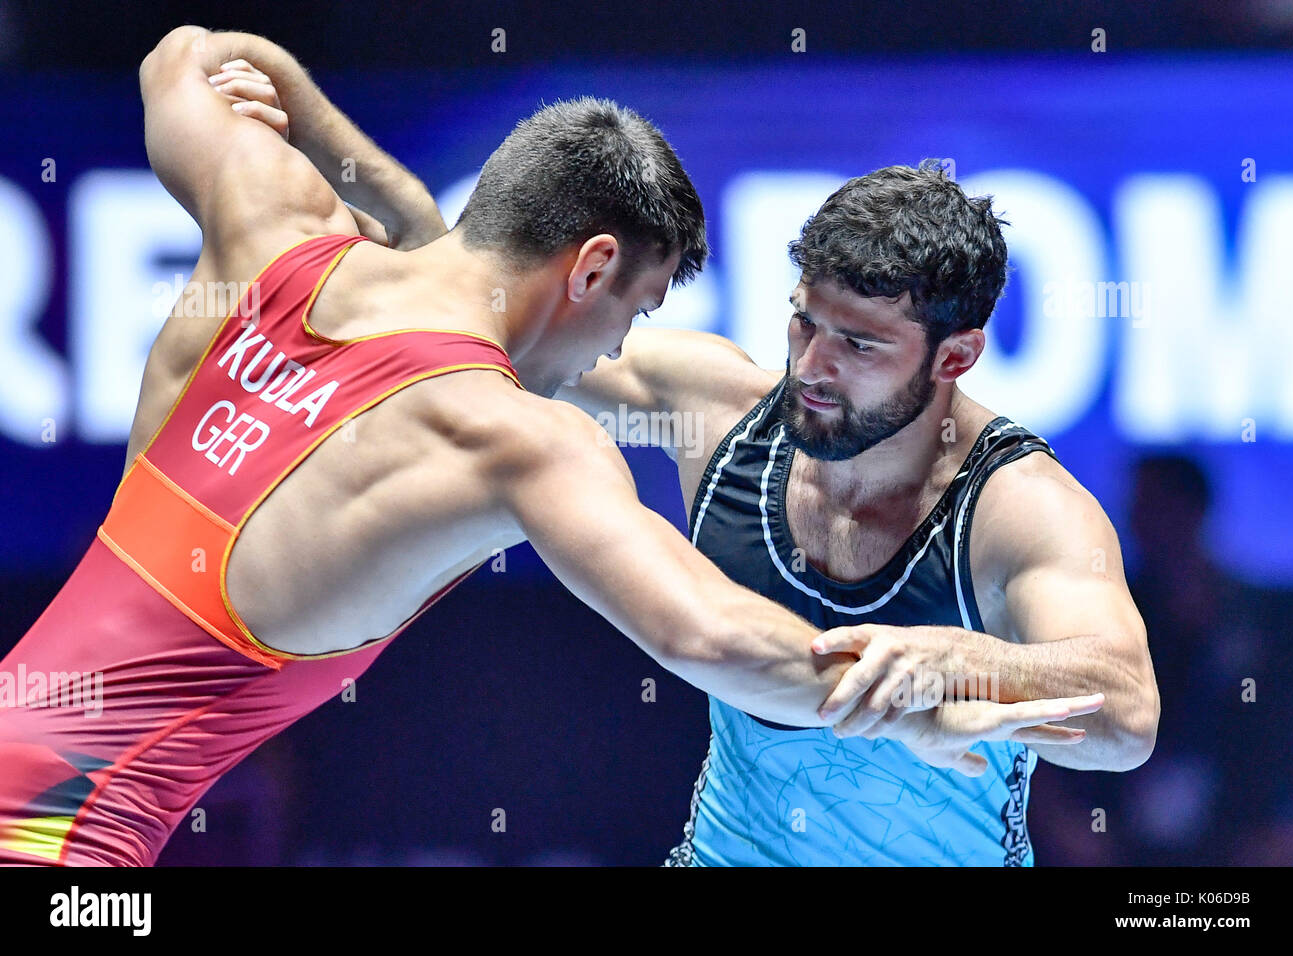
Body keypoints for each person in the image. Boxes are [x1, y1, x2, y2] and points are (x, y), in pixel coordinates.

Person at [0, 29, 1098, 867]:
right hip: (61, 840)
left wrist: (302, 111)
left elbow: (185, 56)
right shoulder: (515, 438)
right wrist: (926, 693)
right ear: (589, 268)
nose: (617, 349)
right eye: (634, 310)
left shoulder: (271, 230)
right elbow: (713, 633)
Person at [562, 164, 1159, 865]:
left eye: (858, 343)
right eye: (803, 321)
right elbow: (508, 332)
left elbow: (1127, 717)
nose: (811, 365)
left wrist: (962, 659)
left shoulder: (1019, 507)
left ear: (956, 356)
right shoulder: (717, 413)